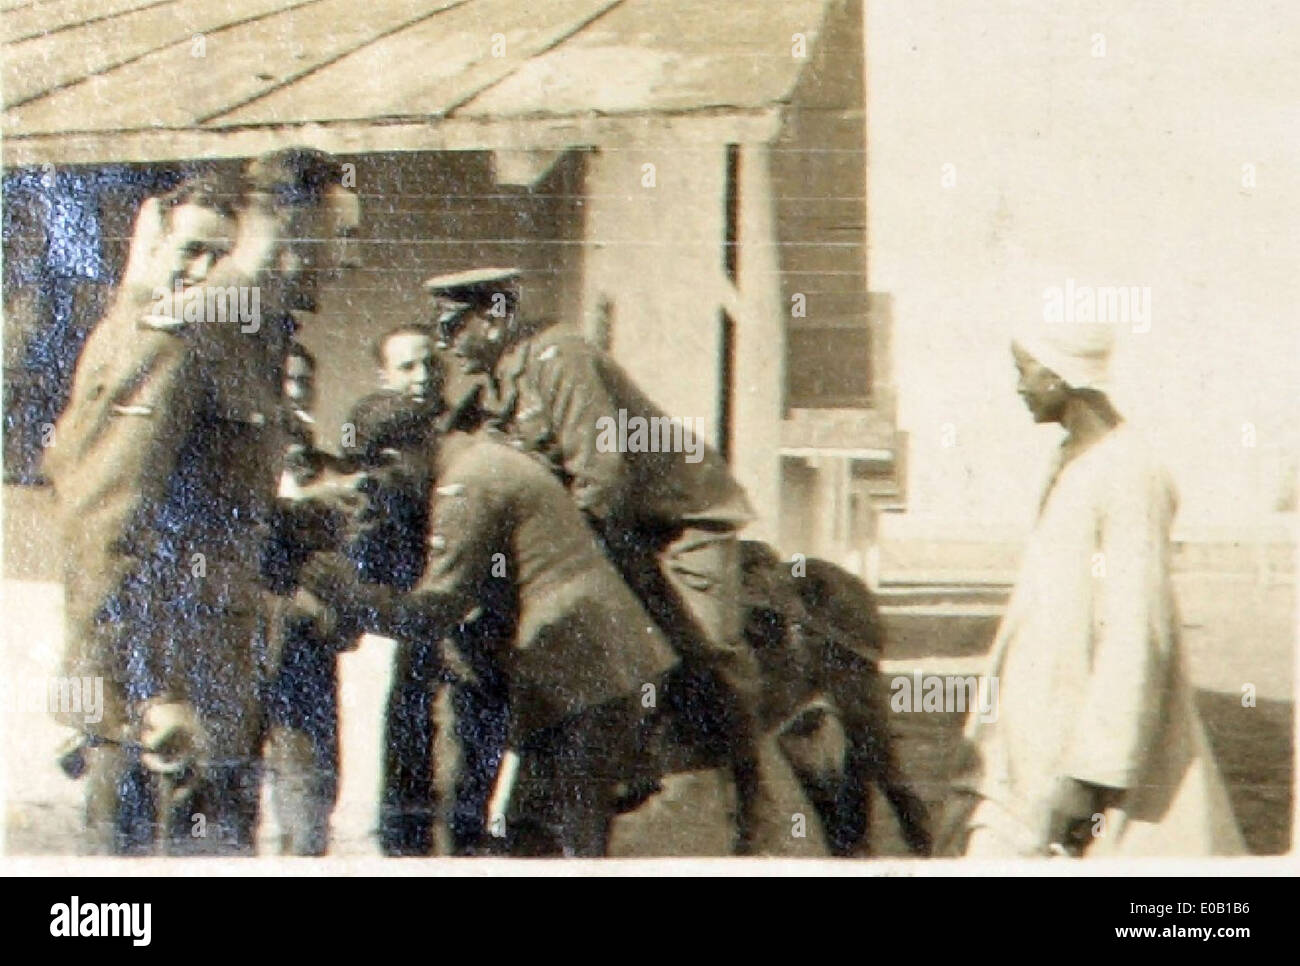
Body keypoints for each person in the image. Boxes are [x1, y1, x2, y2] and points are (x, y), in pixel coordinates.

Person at [427, 267, 825, 855]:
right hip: (614, 530)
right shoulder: (491, 389)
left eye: (454, 326)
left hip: (680, 521)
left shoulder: (558, 356)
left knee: (711, 657)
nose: (445, 342)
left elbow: (603, 477)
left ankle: (761, 811)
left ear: (494, 315)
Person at [45, 148, 361, 855]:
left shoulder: (257, 334)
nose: (350, 261)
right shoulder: (187, 335)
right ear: (291, 222)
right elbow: (104, 520)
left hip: (221, 689)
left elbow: (210, 513)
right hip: (162, 712)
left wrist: (302, 520)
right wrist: (130, 700)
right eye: (342, 236)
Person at [301, 414, 680, 857]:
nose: (382, 493)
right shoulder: (483, 458)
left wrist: (350, 595)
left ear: (392, 457)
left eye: (379, 478)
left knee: (557, 842)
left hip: (585, 675)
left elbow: (434, 611)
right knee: (536, 836)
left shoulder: (466, 487)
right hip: (594, 668)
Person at [936, 323, 1246, 857]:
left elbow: (1137, 632)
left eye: (1023, 372)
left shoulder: (1129, 473)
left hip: (1090, 767)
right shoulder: (1073, 463)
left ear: (1060, 375)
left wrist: (1091, 774)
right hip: (1032, 741)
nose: (1017, 388)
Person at [260, 342, 360, 855]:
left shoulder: (334, 476)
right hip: (245, 649)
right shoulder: (236, 469)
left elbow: (354, 562)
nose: (297, 391)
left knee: (309, 793)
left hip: (306, 661)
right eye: (285, 379)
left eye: (305, 381)